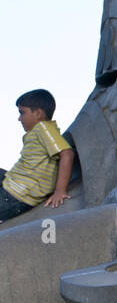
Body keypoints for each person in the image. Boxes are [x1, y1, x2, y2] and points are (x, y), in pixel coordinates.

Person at [1, 89, 75, 223]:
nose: (19, 118)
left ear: (38, 114)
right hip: (12, 184)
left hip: (16, 196)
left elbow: (67, 154)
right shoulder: (38, 131)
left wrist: (60, 190)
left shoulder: (44, 128)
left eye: (22, 113)